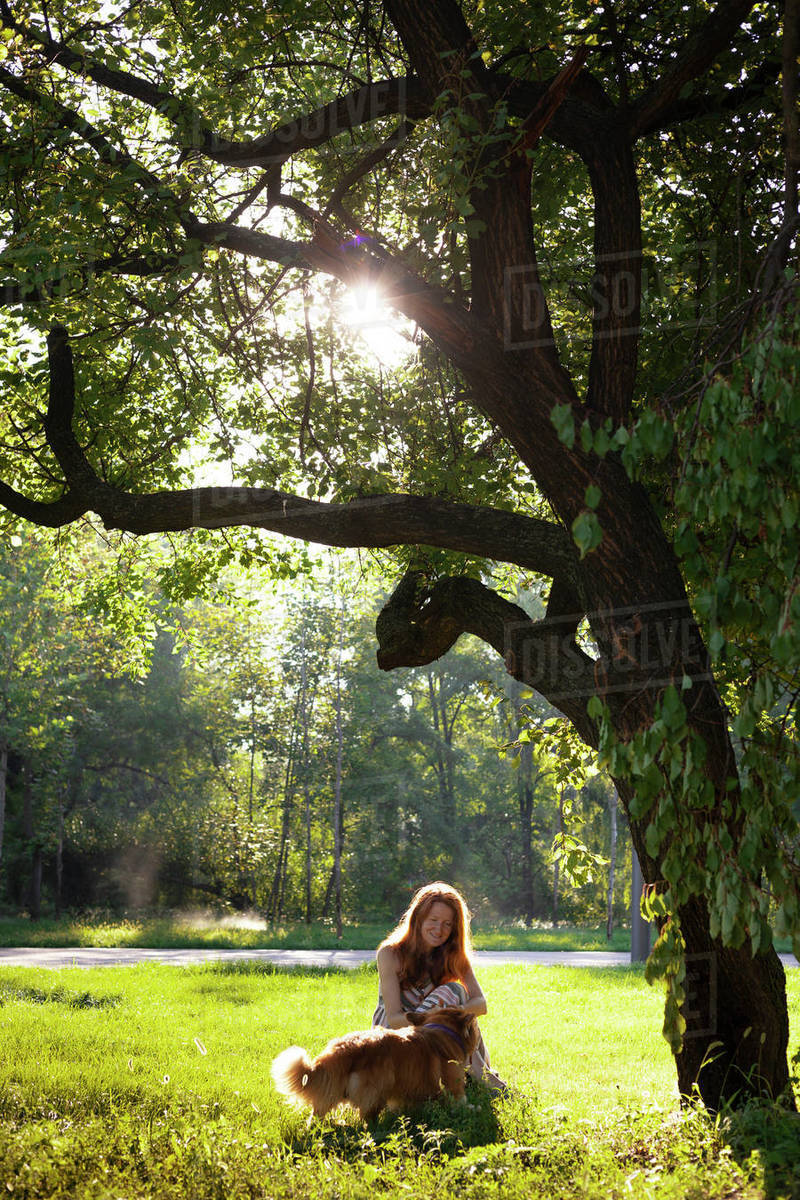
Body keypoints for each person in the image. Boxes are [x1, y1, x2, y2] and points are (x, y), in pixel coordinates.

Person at [372, 881, 506, 1092]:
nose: (439, 929)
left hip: (434, 1035)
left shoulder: (453, 955)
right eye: (433, 920)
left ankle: (476, 1073)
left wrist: (447, 1014)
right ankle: (482, 1076)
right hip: (396, 1038)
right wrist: (439, 1016)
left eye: (447, 923)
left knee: (459, 997)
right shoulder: (390, 953)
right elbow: (395, 1019)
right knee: (455, 992)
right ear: (418, 919)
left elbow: (481, 1005)